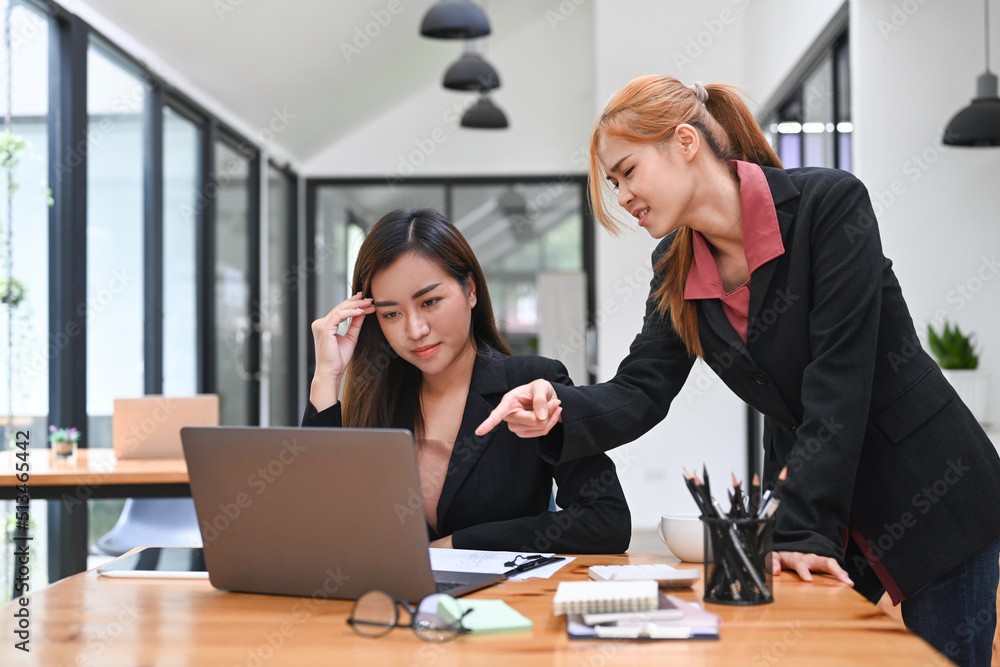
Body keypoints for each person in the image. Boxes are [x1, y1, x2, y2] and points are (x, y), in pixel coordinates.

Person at [476, 75, 1000, 665]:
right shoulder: (674, 267)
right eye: (613, 182)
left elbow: (839, 378)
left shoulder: (828, 204)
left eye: (627, 171)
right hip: (815, 496)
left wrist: (798, 529)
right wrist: (558, 408)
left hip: (929, 486)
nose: (622, 196)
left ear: (683, 142)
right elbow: (642, 389)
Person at [303, 207, 631, 555]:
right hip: (394, 606)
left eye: (430, 302)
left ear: (470, 290)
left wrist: (462, 544)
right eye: (392, 313)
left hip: (506, 605)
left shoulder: (530, 385)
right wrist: (326, 377)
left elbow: (606, 521)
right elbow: (315, 526)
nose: (415, 330)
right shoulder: (376, 402)